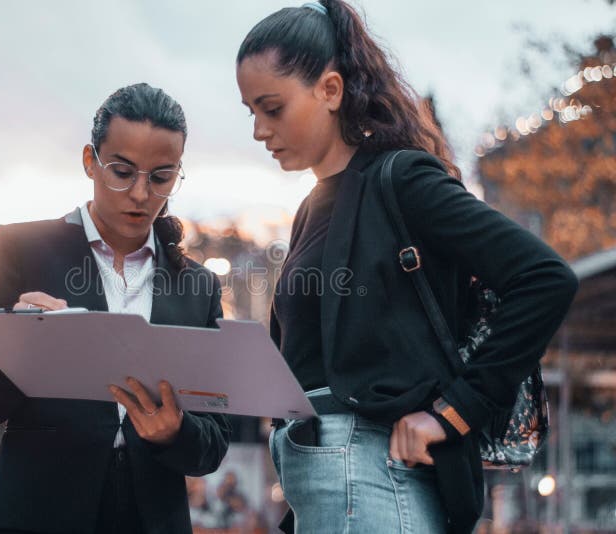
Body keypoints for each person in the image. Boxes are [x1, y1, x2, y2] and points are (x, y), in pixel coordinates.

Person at [235, 2, 578, 533]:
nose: (259, 130)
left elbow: (545, 278)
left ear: (330, 90)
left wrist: (456, 411)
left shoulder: (403, 180)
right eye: (250, 112)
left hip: (374, 481)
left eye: (272, 108)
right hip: (323, 484)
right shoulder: (313, 207)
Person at [0, 83, 231, 534]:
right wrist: (23, 344)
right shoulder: (20, 249)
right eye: (122, 171)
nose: (140, 194)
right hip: (37, 515)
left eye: (160, 177)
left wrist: (174, 432)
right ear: (90, 161)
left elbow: (214, 443)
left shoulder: (197, 285)